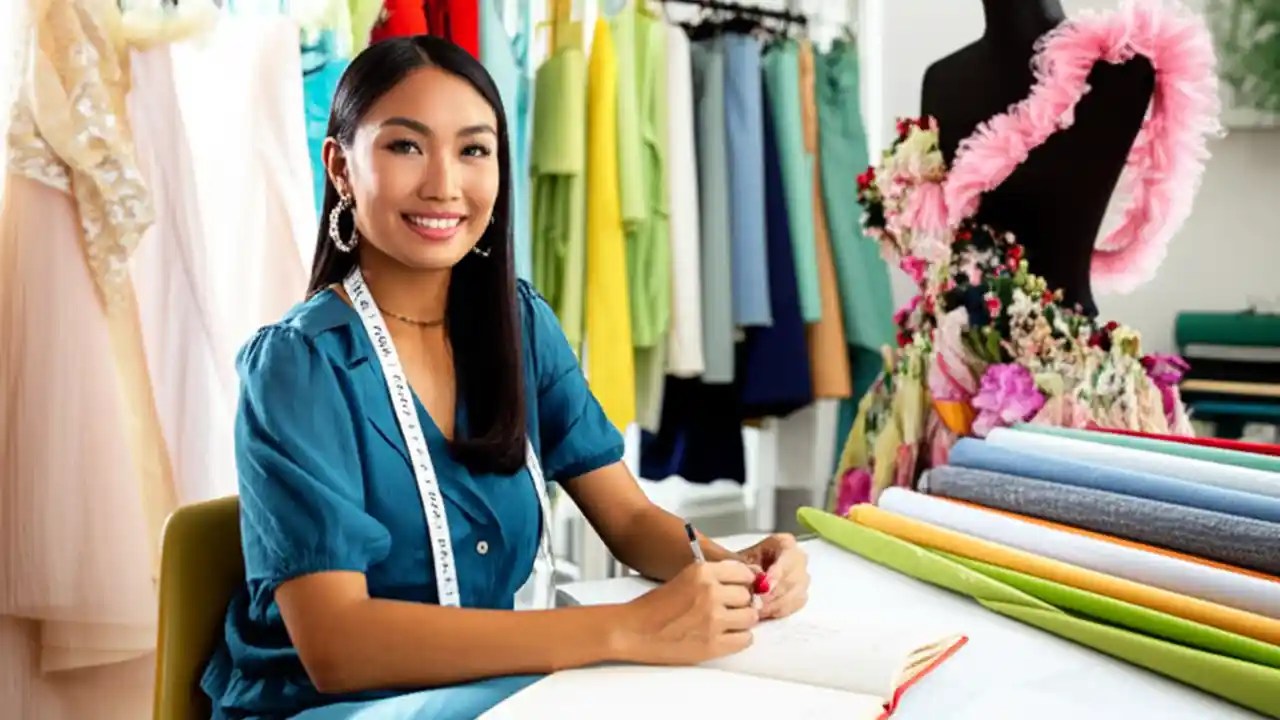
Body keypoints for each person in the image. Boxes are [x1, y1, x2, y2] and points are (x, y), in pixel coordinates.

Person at [200, 35, 810, 720]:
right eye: (406, 146)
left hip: (486, 690)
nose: (444, 185)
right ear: (341, 168)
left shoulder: (517, 325)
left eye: (473, 149)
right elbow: (338, 646)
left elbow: (630, 518)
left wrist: (736, 570)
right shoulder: (298, 367)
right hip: (331, 705)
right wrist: (623, 628)